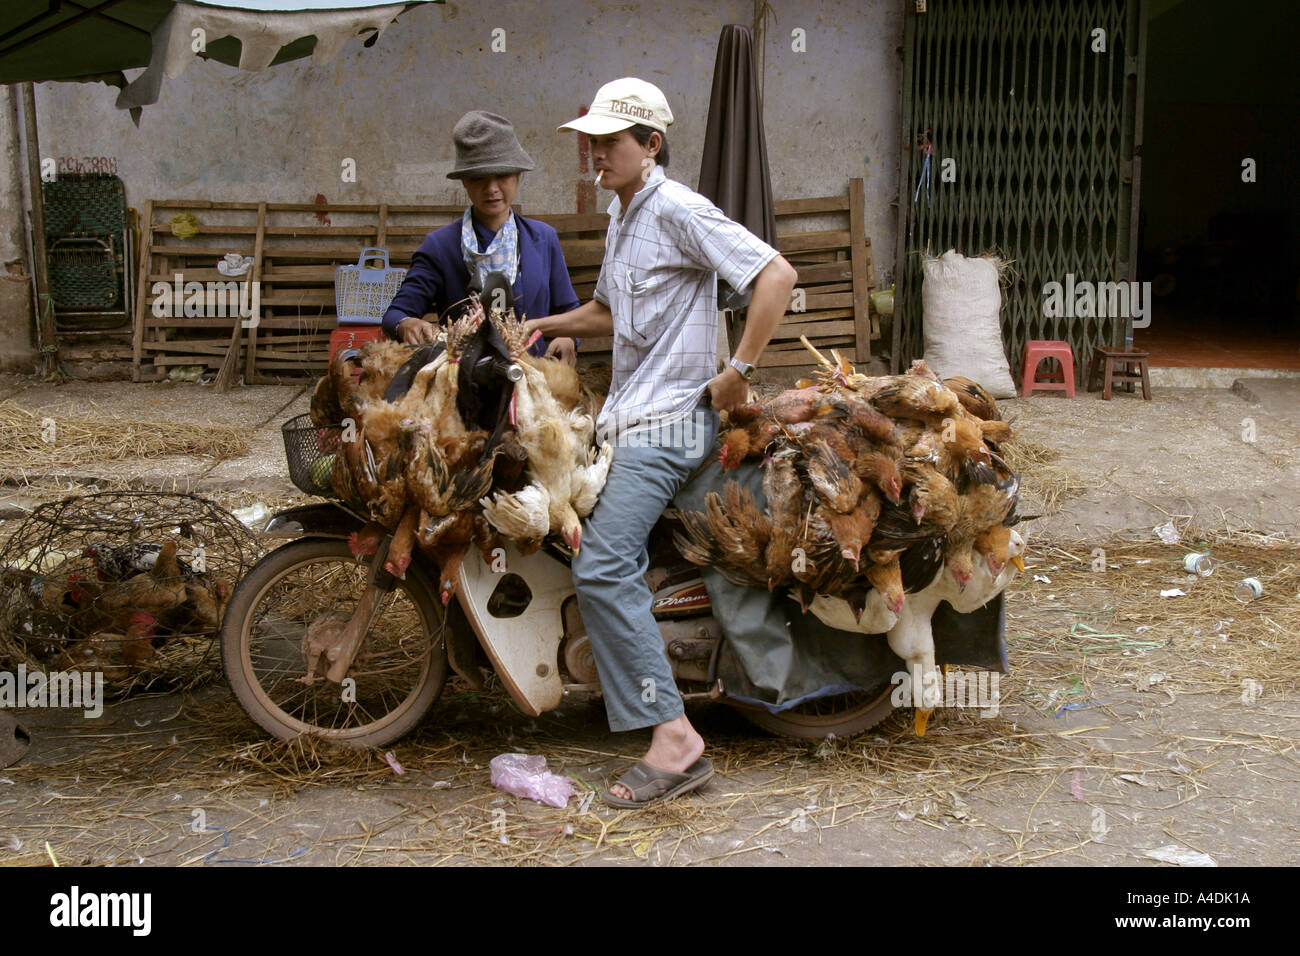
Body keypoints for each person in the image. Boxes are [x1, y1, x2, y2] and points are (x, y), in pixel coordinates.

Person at [526, 78, 798, 807]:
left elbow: (777, 274)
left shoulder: (678, 208)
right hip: (630, 417)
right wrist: (544, 326)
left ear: (651, 144)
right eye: (591, 142)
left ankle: (677, 741)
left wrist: (739, 370)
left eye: (609, 142)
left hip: (670, 426)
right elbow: (611, 313)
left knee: (604, 564)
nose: (594, 155)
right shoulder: (623, 215)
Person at [382, 111, 579, 363]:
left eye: (503, 176)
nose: (492, 189)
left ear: (518, 175)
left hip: (534, 377)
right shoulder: (440, 246)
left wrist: (569, 338)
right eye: (479, 178)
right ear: (464, 182)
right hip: (464, 382)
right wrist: (406, 324)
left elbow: (568, 310)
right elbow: (395, 314)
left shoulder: (542, 239)